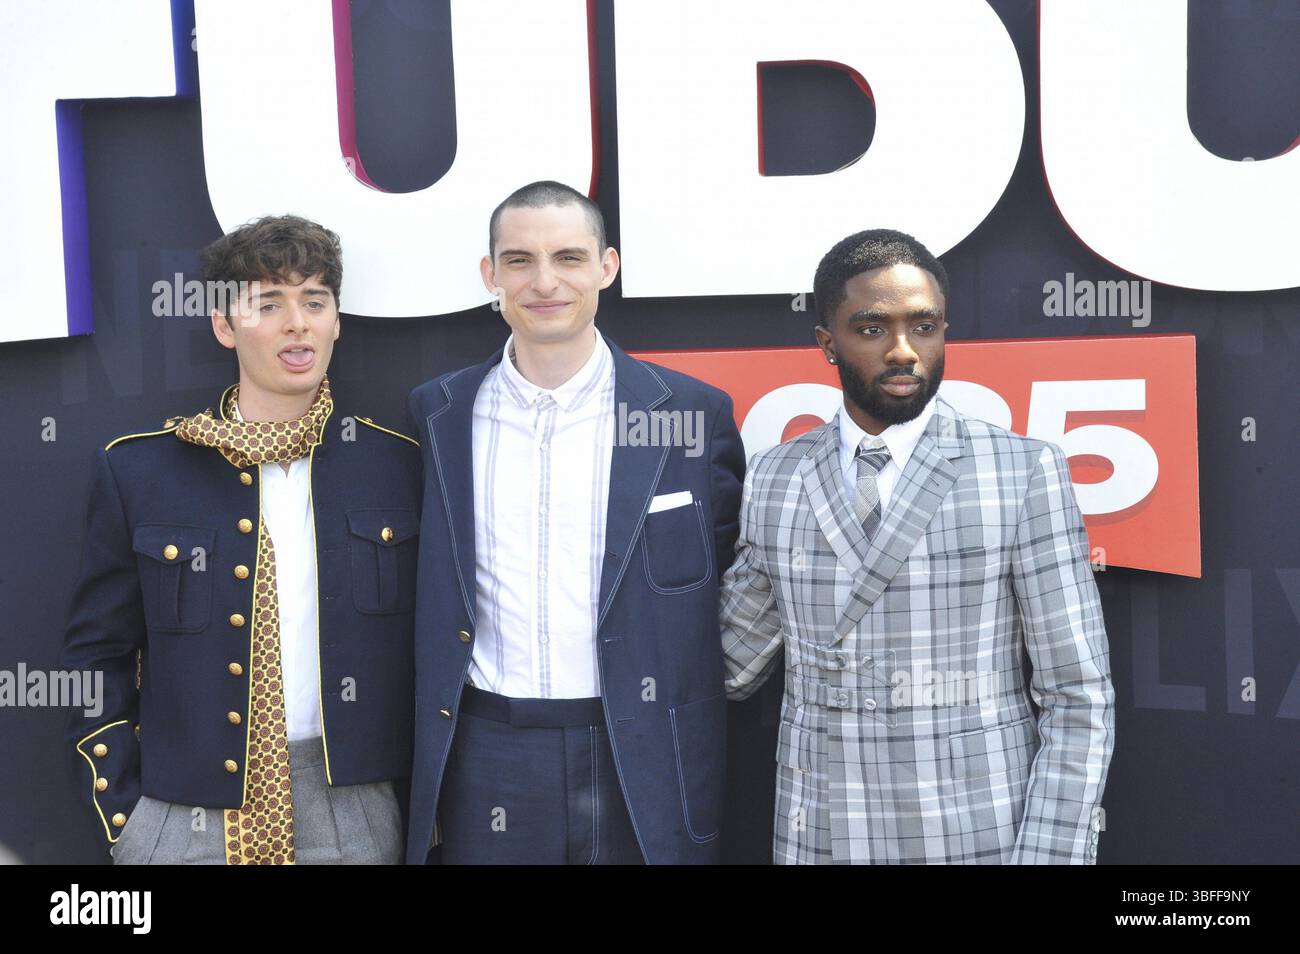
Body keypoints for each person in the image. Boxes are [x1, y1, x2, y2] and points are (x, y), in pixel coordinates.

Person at [719, 228, 1115, 864]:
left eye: (924, 326)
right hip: (822, 832)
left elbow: (1077, 692)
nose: (904, 351)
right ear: (827, 343)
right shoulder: (775, 476)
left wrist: (1051, 856)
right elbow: (728, 665)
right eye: (873, 329)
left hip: (976, 832)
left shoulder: (1020, 471)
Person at [61, 215, 420, 864]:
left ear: (336, 320)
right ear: (224, 325)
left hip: (352, 810)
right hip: (182, 815)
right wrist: (125, 817)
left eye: (315, 301)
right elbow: (97, 654)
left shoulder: (397, 467)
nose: (297, 322)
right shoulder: (141, 471)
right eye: (269, 303)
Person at [406, 181, 745, 864]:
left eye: (567, 256)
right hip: (486, 750)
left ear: (606, 267)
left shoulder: (689, 414)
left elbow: (730, 576)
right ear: (490, 275)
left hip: (645, 750)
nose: (545, 281)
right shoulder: (438, 414)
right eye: (519, 260)